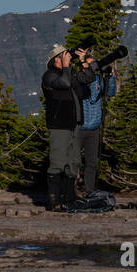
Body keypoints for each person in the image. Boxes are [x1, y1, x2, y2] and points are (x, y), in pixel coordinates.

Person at [40, 41, 96, 212]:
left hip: (74, 124)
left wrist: (83, 61)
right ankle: (54, 201)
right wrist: (65, 67)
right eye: (63, 56)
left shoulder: (69, 73)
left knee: (73, 162)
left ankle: (70, 198)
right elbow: (63, 83)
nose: (67, 58)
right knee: (58, 161)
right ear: (55, 60)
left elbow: (88, 79)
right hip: (59, 125)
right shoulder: (49, 76)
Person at [77, 53, 118, 196]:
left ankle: (90, 190)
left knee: (91, 163)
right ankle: (70, 191)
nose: (92, 67)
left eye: (94, 64)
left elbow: (110, 93)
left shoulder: (98, 80)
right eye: (89, 64)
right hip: (79, 128)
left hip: (94, 128)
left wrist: (109, 75)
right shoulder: (78, 80)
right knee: (73, 162)